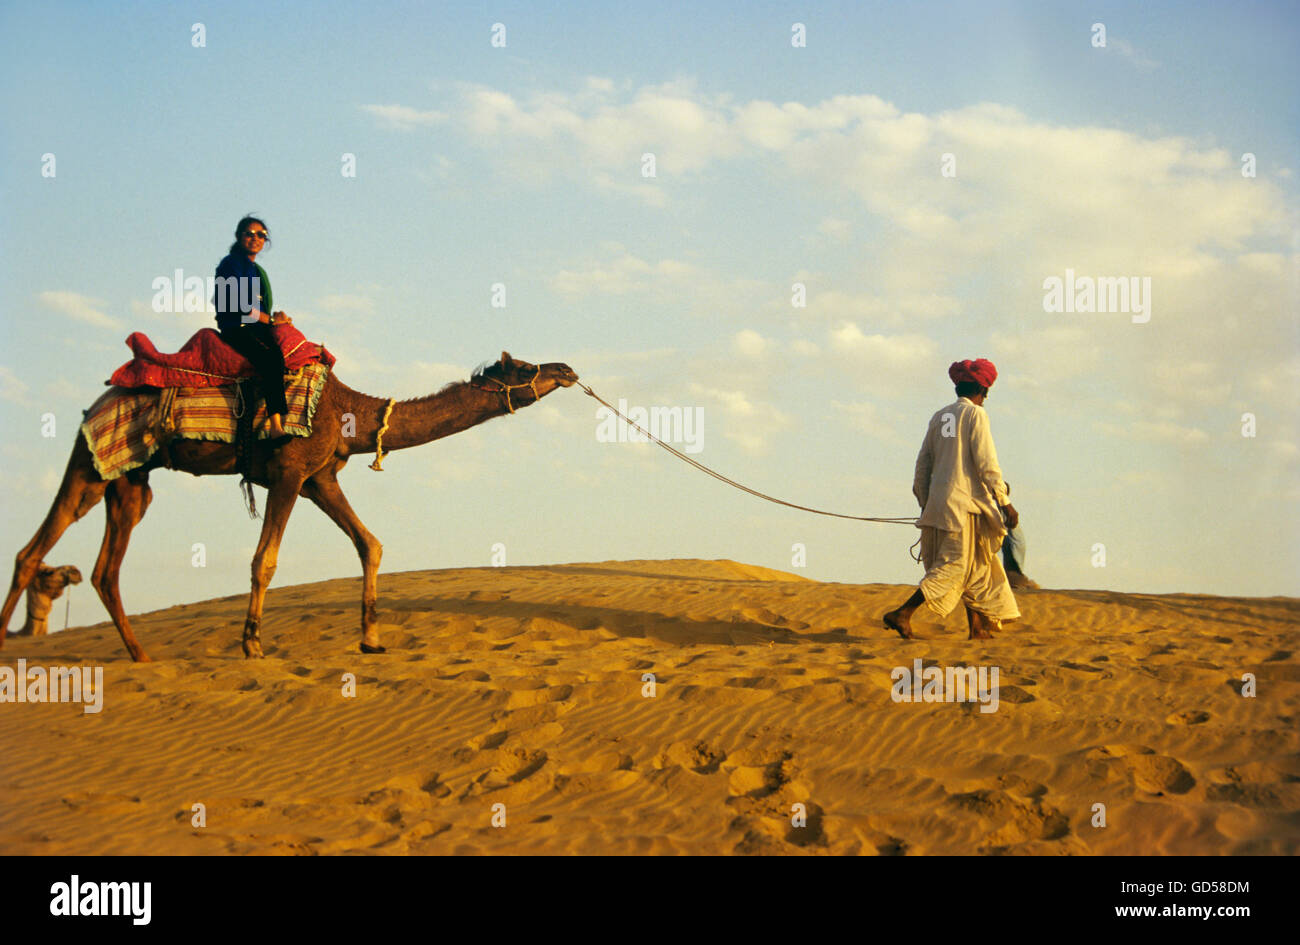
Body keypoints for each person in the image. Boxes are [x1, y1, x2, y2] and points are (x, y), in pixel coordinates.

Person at [883, 358, 1020, 640]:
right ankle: (903, 613)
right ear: (982, 390)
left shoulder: (940, 416)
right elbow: (987, 462)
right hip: (963, 507)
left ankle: (977, 628)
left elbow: (922, 466)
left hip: (940, 504)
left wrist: (927, 503)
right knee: (954, 566)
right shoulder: (976, 416)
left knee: (976, 566)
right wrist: (1004, 501)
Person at [212, 215, 294, 444]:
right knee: (270, 358)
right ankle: (276, 425)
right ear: (239, 237)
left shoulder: (255, 270)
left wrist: (278, 319)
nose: (255, 238)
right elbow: (240, 305)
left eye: (261, 235)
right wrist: (269, 320)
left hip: (255, 325)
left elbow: (259, 307)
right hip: (236, 325)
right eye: (250, 233)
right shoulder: (231, 264)